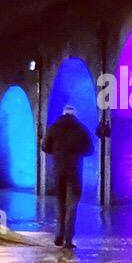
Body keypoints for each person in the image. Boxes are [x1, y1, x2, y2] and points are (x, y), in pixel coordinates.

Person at [41, 104, 94, 249]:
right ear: (74, 114)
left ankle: (59, 235)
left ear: (63, 113)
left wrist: (58, 151)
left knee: (60, 202)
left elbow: (45, 147)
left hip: (58, 169)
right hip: (74, 170)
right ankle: (68, 240)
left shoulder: (54, 128)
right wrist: (76, 151)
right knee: (72, 205)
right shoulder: (81, 129)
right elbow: (90, 150)